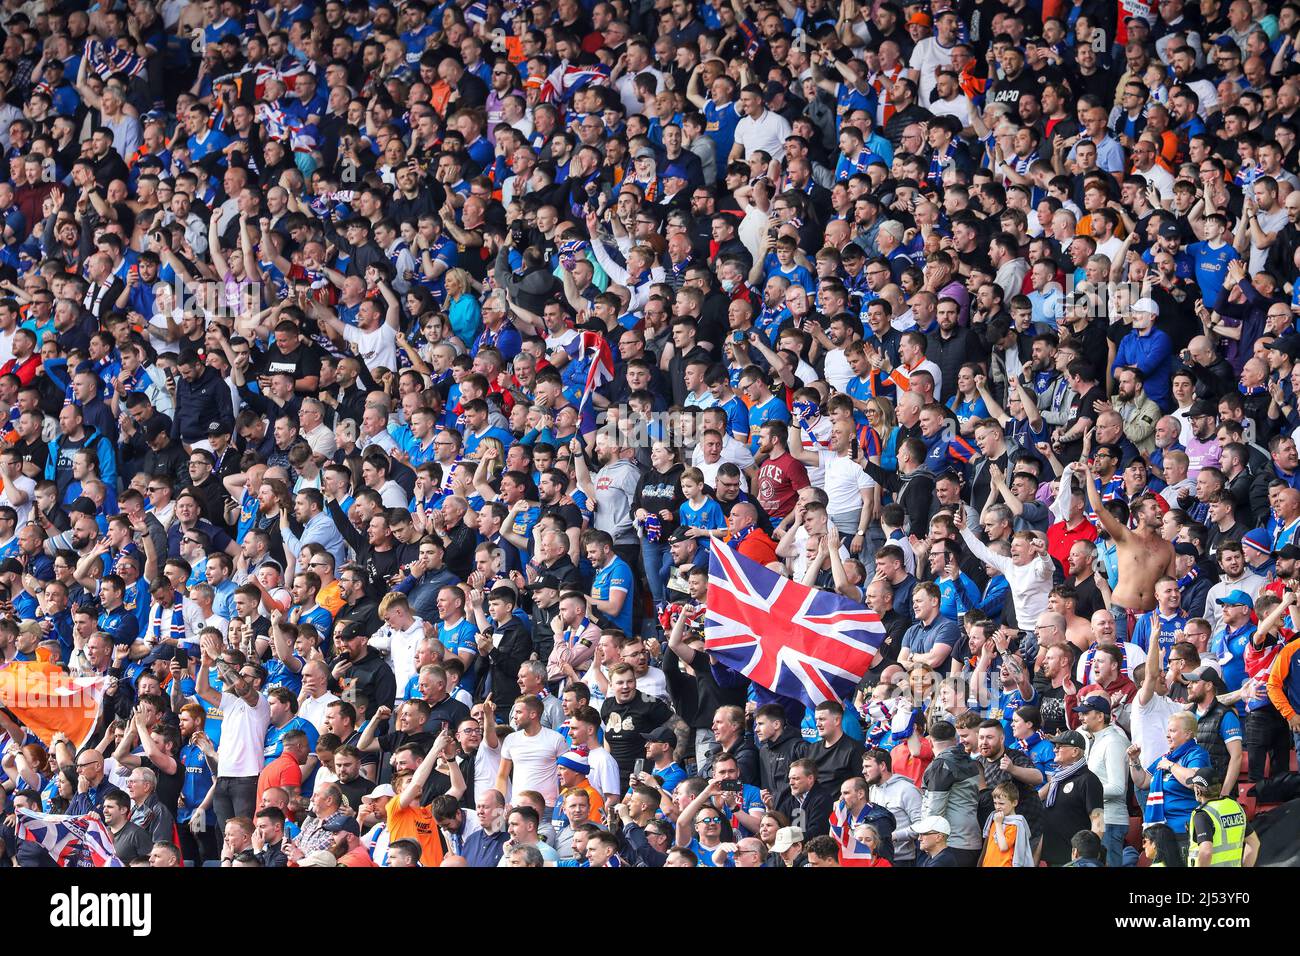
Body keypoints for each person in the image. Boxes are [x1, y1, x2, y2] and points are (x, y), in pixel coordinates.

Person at [1186, 773, 1247, 867]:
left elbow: (1206, 852)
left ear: (1198, 791)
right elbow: (1254, 843)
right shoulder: (1235, 806)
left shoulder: (1202, 814)